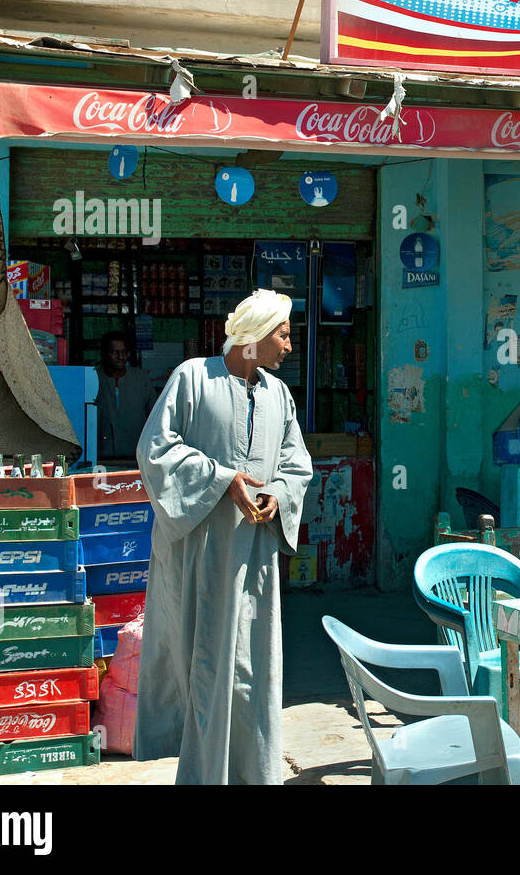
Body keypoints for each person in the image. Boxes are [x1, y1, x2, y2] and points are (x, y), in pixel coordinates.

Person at [133, 289, 313, 784]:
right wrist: (220, 479)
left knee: (254, 668)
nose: (288, 346)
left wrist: (278, 490)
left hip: (253, 556)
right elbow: (155, 450)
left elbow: (297, 462)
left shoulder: (279, 394)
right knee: (203, 666)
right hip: (200, 554)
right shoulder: (193, 378)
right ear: (253, 337)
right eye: (283, 334)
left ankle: (255, 774)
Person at [96, 330, 157, 461]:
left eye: (124, 352)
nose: (120, 356)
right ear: (104, 354)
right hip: (101, 455)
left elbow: (155, 416)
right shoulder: (94, 377)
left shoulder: (140, 378)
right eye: (114, 352)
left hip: (135, 455)